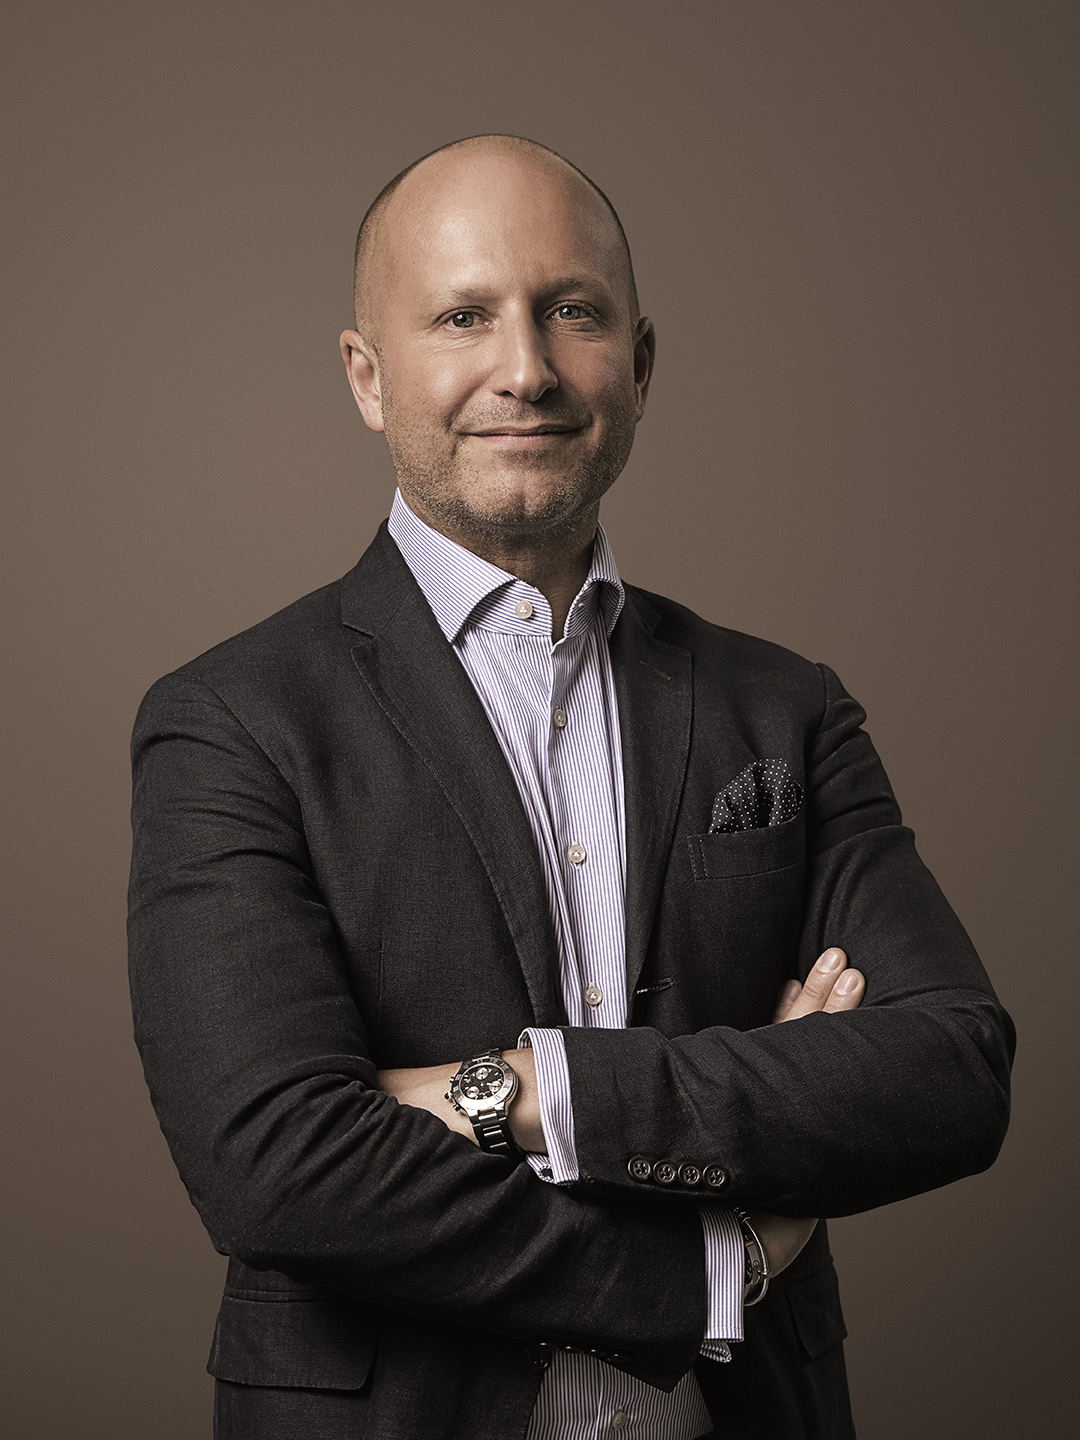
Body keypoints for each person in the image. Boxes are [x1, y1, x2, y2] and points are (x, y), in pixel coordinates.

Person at [128, 135, 1014, 1440]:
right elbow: (276, 1164)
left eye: (573, 312)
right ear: (368, 376)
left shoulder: (788, 707)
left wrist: (534, 1090)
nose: (528, 368)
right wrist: (708, 1269)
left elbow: (952, 1072)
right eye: (463, 317)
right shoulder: (229, 722)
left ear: (640, 363)